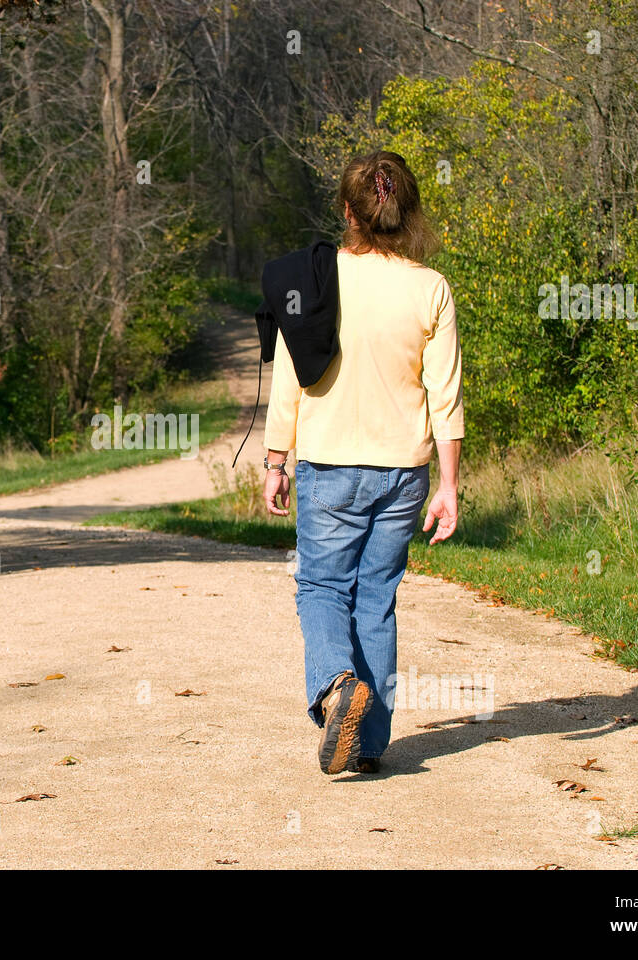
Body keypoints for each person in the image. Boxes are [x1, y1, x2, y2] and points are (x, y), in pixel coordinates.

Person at [262, 150, 464, 776]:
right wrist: (450, 485)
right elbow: (446, 393)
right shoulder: (430, 288)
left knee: (321, 587)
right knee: (376, 597)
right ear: (407, 213)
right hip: (404, 472)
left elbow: (292, 376)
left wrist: (276, 459)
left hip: (330, 463)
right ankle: (370, 744)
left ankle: (335, 688)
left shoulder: (315, 280)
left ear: (347, 211)